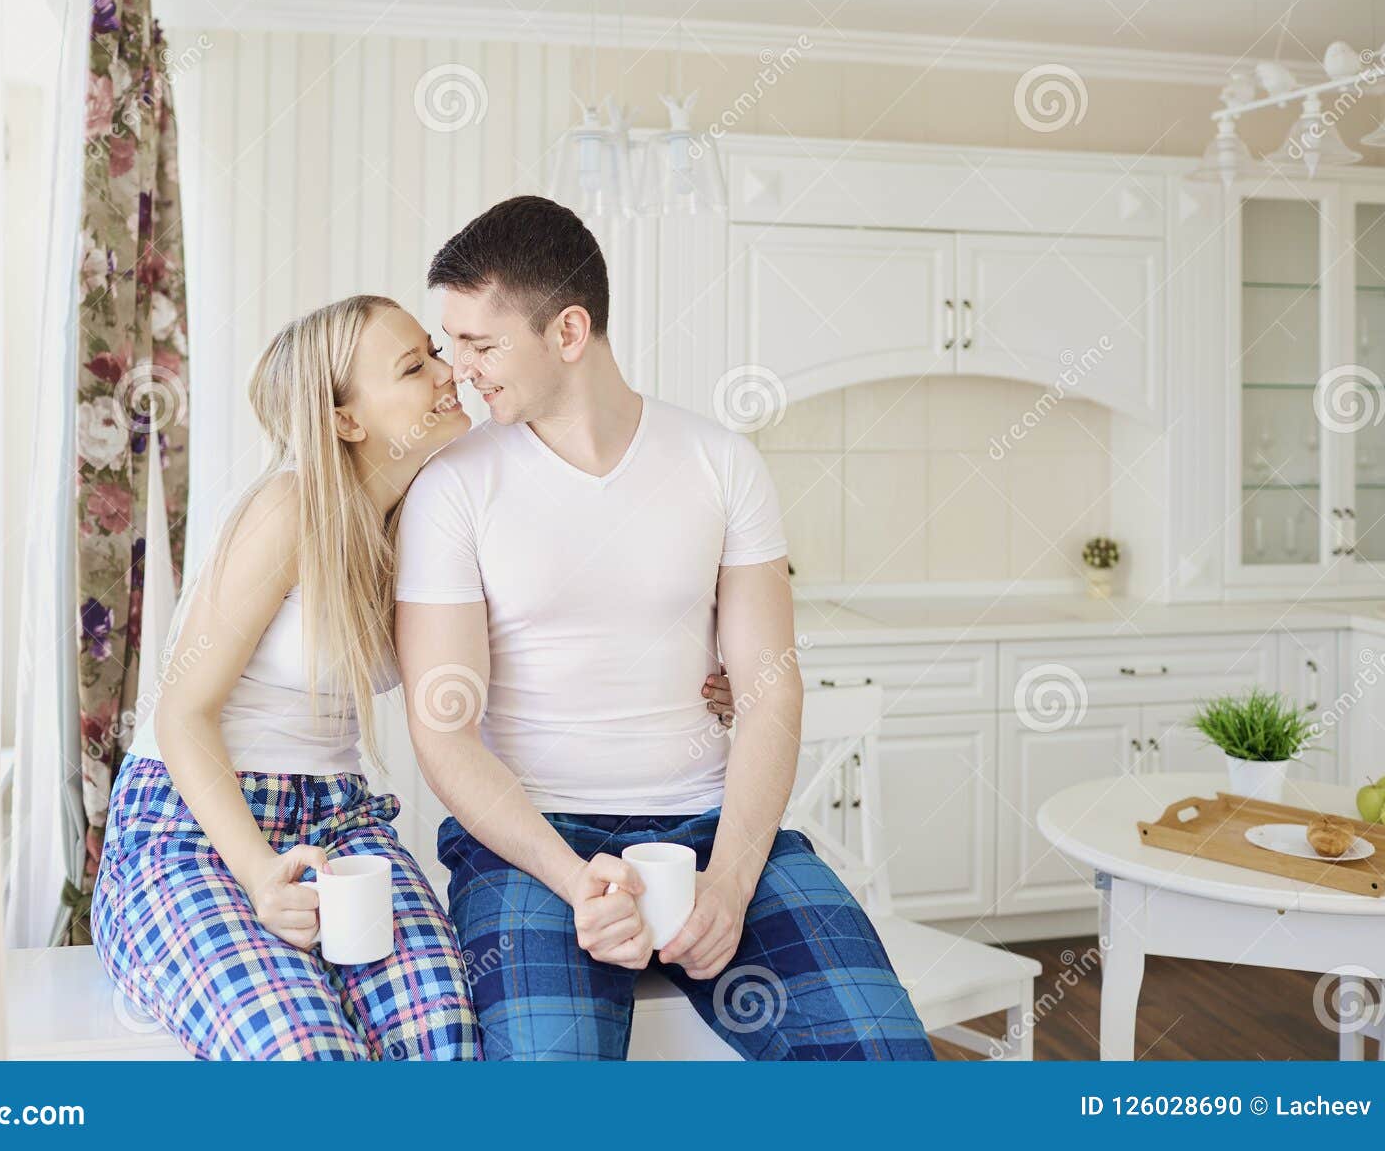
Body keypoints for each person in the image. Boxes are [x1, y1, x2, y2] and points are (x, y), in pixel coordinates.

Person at [92, 295, 738, 1060]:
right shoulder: (289, 511)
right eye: (414, 366)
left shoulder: (429, 519)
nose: (449, 372)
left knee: (444, 1039)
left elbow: (550, 632)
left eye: (433, 351)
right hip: (195, 826)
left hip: (338, 821)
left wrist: (703, 666)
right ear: (346, 421)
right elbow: (180, 714)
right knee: (306, 1053)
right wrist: (261, 875)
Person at [394, 196, 936, 1061]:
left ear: (568, 333)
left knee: (886, 1062)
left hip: (705, 826)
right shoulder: (453, 485)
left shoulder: (721, 463)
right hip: (533, 844)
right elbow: (442, 725)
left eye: (481, 344)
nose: (458, 370)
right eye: (450, 342)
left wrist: (728, 880)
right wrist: (577, 881)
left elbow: (768, 688)